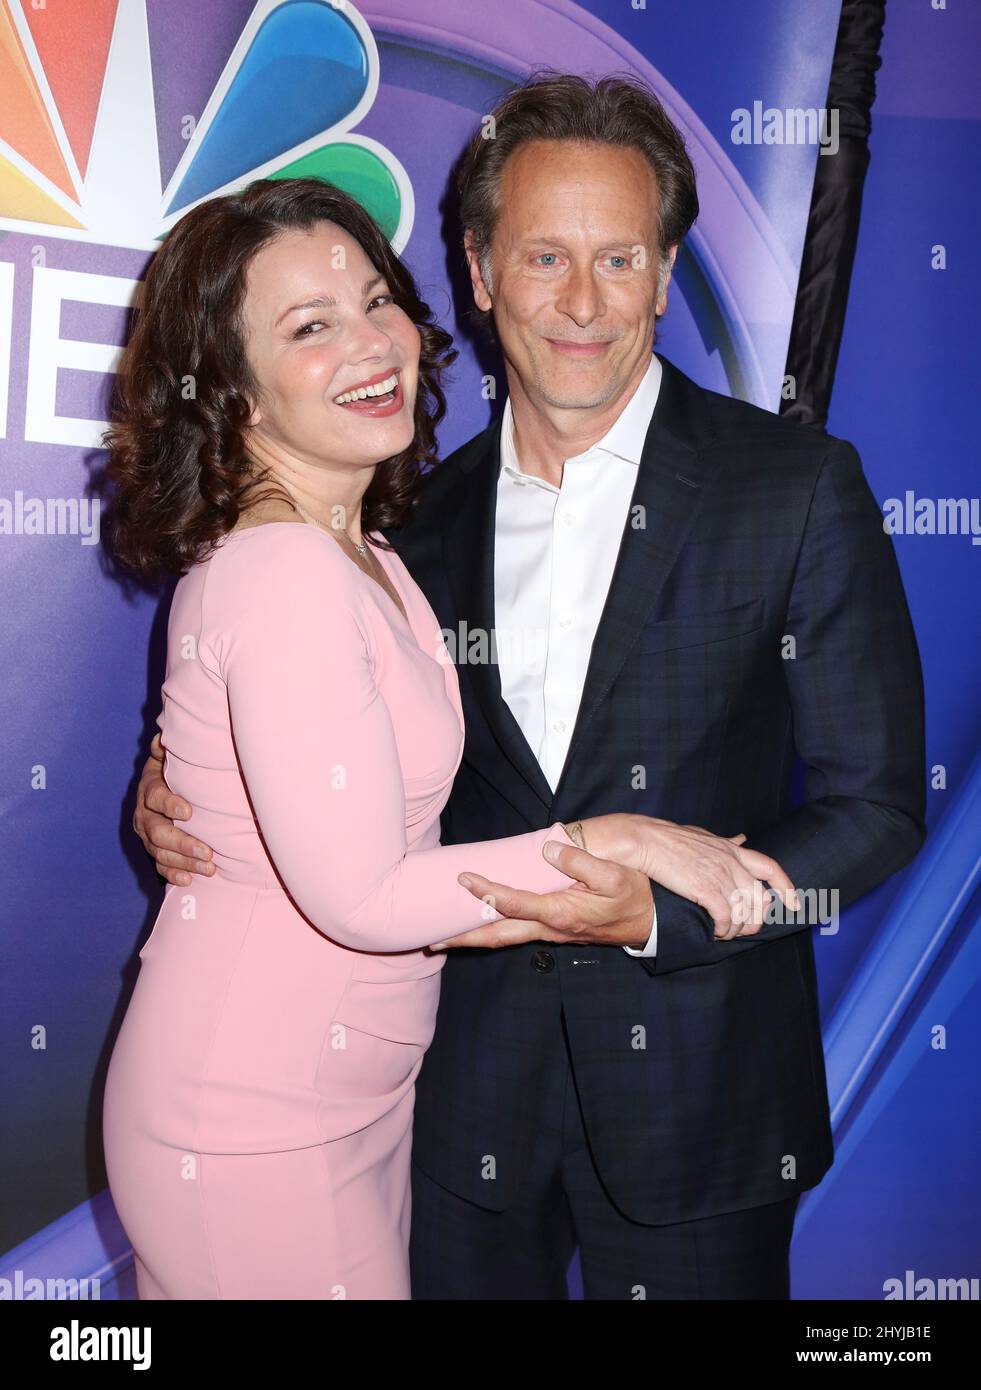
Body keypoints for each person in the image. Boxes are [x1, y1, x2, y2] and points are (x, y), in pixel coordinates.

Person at [136, 73, 925, 1301]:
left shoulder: (798, 487)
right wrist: (193, 777)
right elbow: (334, 759)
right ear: (479, 268)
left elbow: (875, 812)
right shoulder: (409, 521)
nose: (583, 303)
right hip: (452, 1119)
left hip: (704, 1115)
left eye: (621, 260)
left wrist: (675, 911)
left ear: (667, 273)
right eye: (544, 256)